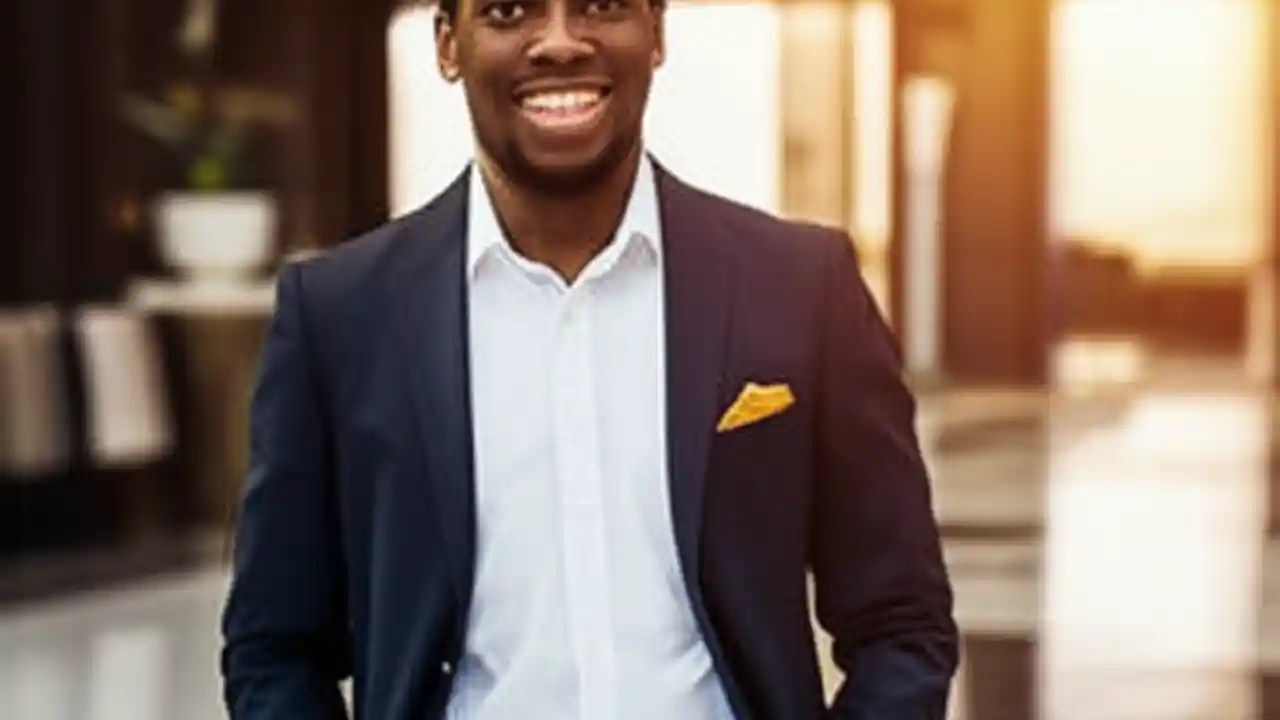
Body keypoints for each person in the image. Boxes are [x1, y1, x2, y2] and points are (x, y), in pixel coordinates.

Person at [220, 0, 958, 717]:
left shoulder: (801, 285)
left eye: (602, 5)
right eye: (510, 12)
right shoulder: (341, 314)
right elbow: (275, 650)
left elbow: (901, 621)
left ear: (657, 31)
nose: (560, 41)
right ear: (448, 43)